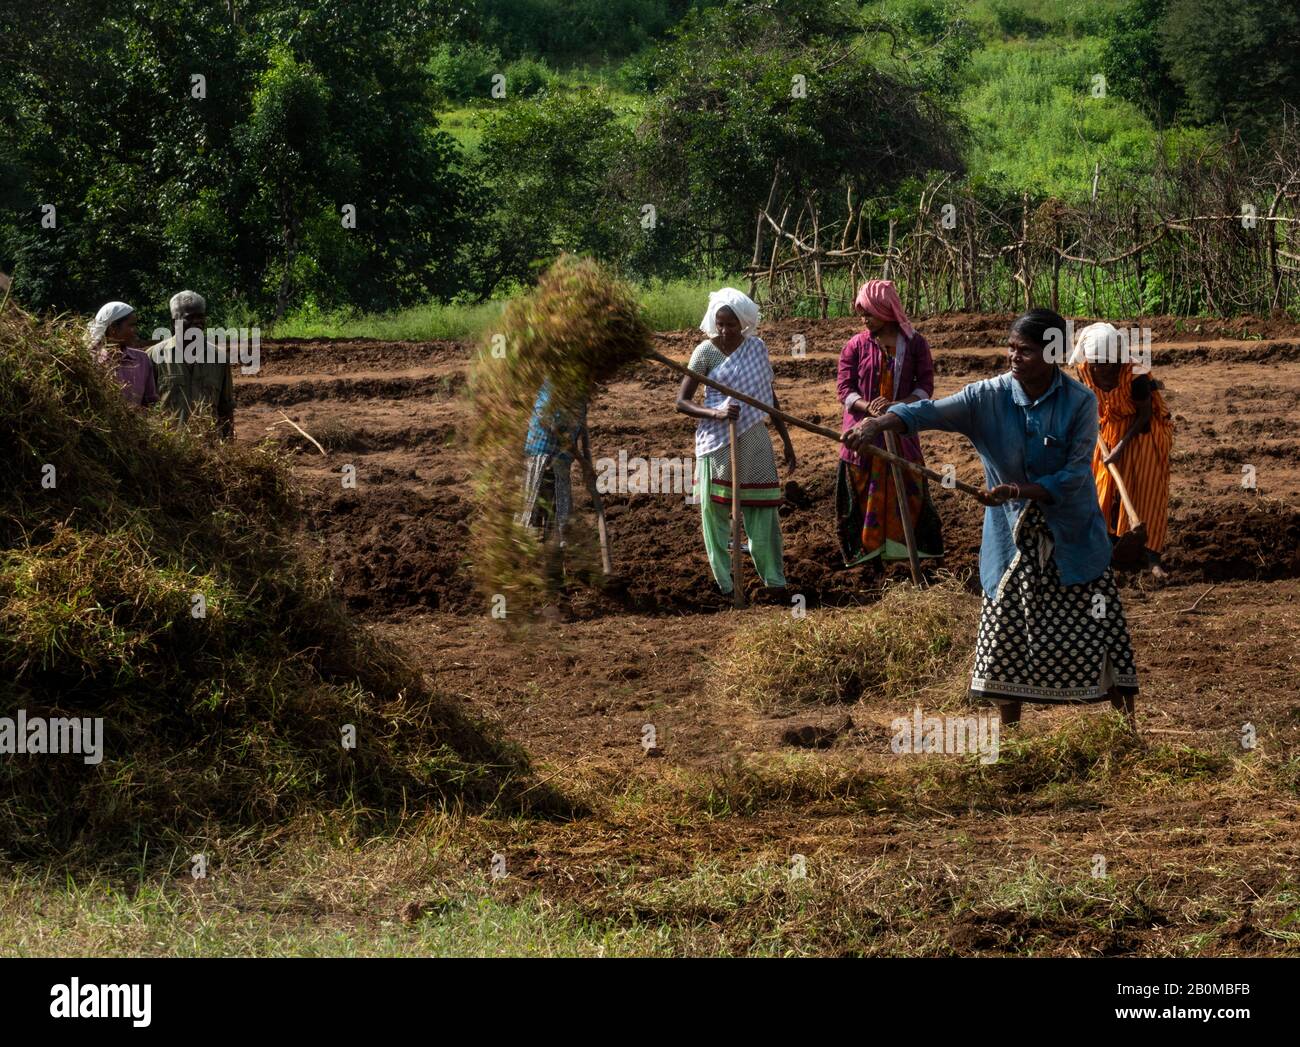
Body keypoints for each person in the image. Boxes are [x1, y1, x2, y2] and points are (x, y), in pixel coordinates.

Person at [845, 308, 1139, 727]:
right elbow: (926, 411)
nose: (1014, 357)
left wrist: (1020, 490)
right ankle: (1010, 732)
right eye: (1011, 348)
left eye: (1026, 351)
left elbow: (1075, 474)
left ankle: (1127, 728)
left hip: (1071, 538)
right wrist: (877, 425)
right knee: (1006, 637)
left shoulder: (1080, 402)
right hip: (1009, 541)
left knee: (1101, 632)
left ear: (1053, 354)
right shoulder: (986, 396)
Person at [675, 288, 795, 600]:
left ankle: (775, 583)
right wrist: (715, 412)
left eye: (732, 325)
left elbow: (770, 399)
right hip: (717, 442)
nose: (726, 331)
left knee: (763, 510)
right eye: (721, 324)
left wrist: (786, 440)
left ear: (743, 324)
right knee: (715, 515)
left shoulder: (756, 348)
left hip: (754, 438)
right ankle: (726, 586)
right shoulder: (705, 352)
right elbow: (682, 402)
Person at [835, 278, 944, 568]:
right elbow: (844, 389)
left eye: (869, 313)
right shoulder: (855, 346)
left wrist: (897, 406)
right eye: (862, 314)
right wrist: (867, 406)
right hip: (862, 435)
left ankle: (902, 551)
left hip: (900, 432)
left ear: (885, 311)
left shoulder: (916, 344)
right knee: (861, 492)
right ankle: (866, 556)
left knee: (906, 488)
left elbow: (925, 387)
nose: (864, 319)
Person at [1071, 322, 1173, 580]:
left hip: (1142, 431)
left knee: (1146, 491)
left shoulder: (1136, 375)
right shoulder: (1085, 369)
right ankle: (1105, 549)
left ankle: (1152, 558)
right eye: (1096, 363)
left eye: (1107, 364)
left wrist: (1120, 447)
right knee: (1102, 488)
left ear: (1117, 359)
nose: (1101, 369)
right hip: (1106, 429)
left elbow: (1145, 414)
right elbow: (1084, 399)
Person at [149, 291, 235, 439]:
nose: (197, 322)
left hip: (210, 450)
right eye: (190, 317)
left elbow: (226, 409)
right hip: (169, 449)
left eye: (201, 316)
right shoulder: (153, 357)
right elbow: (146, 408)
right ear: (174, 322)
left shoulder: (220, 359)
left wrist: (228, 449)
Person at [518, 378, 587, 548]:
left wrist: (584, 462)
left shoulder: (581, 390)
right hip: (544, 453)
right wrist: (579, 456)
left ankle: (552, 549)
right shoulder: (559, 382)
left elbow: (579, 428)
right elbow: (548, 417)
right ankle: (533, 546)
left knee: (556, 509)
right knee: (539, 503)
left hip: (561, 457)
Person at [88, 301, 158, 409]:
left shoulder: (142, 359)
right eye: (131, 325)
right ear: (113, 328)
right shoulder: (90, 360)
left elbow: (150, 402)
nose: (135, 330)